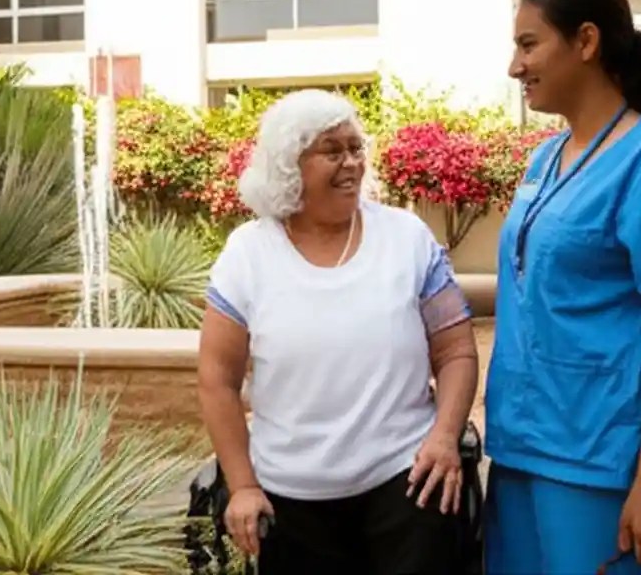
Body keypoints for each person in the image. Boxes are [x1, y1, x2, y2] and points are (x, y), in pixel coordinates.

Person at [485, 0, 641, 575]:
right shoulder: (545, 158)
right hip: (523, 448)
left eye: (529, 44)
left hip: (603, 461)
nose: (515, 66)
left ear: (586, 42)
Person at [197, 88, 480, 574]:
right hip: (290, 502)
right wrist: (242, 486)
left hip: (408, 484)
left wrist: (444, 436)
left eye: (355, 148)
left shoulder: (407, 238)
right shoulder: (248, 254)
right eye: (332, 151)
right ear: (289, 164)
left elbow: (456, 350)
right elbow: (217, 378)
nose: (351, 163)